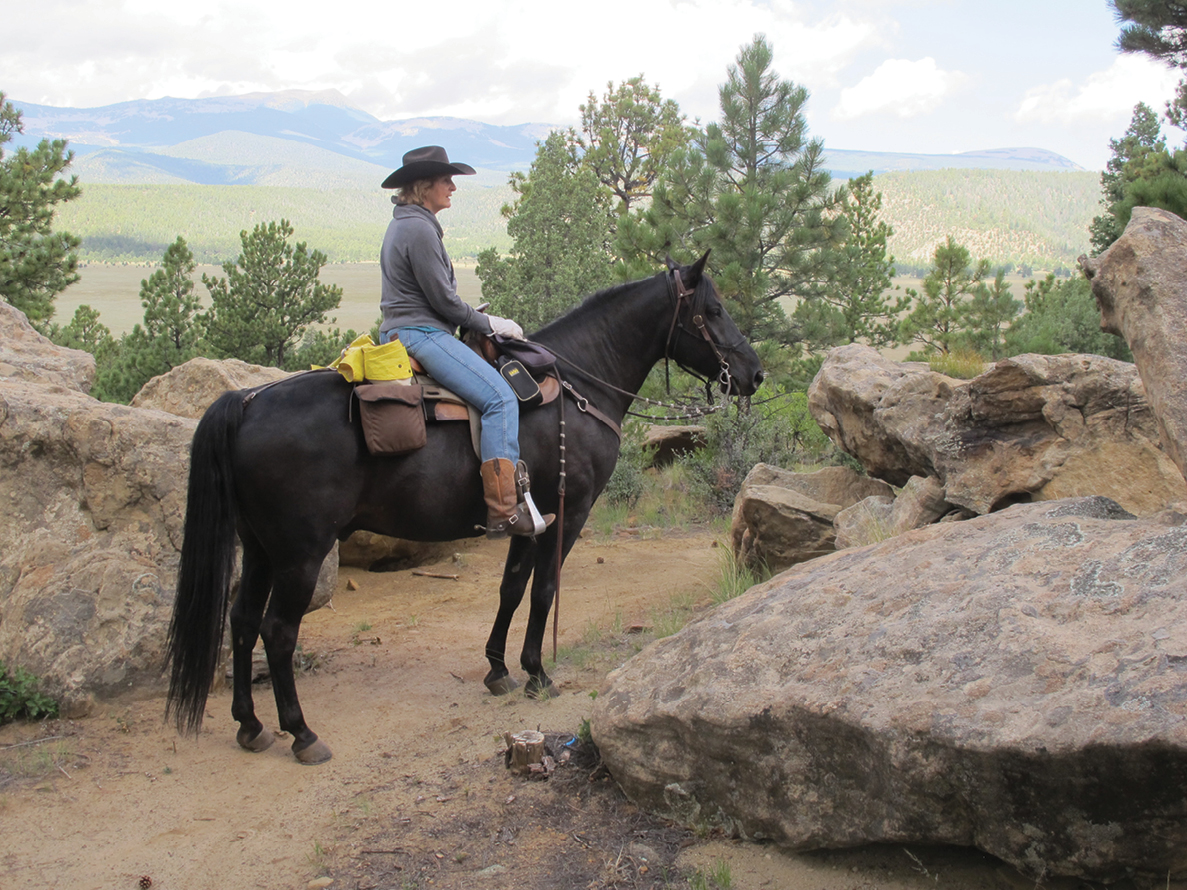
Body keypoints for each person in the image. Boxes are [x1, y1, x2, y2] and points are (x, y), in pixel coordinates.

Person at [379, 145, 551, 538]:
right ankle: (504, 512)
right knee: (500, 398)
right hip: (421, 334)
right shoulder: (419, 229)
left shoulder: (407, 223)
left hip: (410, 328)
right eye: (445, 180)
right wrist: (490, 322)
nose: (452, 186)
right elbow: (443, 302)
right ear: (424, 186)